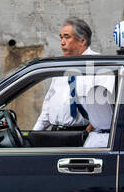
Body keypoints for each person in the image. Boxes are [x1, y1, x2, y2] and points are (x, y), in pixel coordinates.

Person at [32, 18, 115, 148]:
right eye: (61, 38)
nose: (62, 42)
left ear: (82, 40)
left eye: (67, 37)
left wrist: (87, 133)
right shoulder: (60, 66)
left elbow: (105, 106)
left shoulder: (99, 65)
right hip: (56, 135)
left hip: (83, 137)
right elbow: (48, 106)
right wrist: (34, 135)